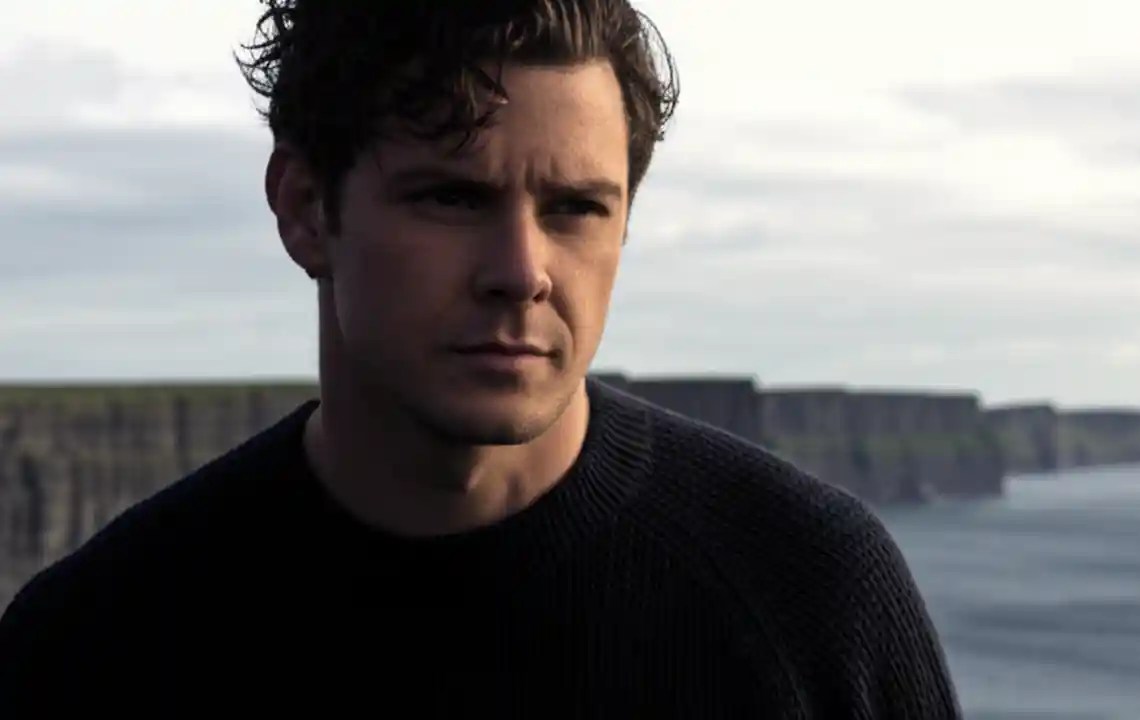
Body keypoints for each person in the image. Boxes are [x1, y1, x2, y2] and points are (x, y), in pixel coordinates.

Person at [0, 2, 962, 717]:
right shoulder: (94, 646)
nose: (522, 273)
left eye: (576, 208)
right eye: (452, 199)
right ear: (304, 209)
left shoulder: (810, 598)